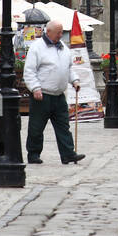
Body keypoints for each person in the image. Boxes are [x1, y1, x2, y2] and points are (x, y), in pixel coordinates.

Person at [23, 20, 84, 165]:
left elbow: (68, 68)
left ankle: (68, 154)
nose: (61, 35)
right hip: (42, 95)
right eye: (59, 33)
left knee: (64, 126)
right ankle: (33, 154)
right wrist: (35, 88)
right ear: (48, 32)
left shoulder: (62, 47)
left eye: (62, 32)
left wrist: (74, 80)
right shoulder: (37, 47)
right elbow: (29, 71)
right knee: (36, 127)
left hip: (58, 95)